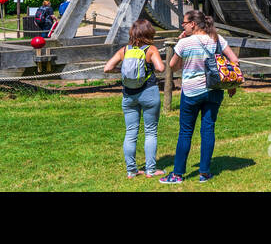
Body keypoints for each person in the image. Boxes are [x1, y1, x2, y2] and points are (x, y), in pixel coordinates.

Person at [162, 10, 240, 184]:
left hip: (191, 92)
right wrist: (232, 84)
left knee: (185, 132)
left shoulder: (185, 42)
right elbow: (234, 60)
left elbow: (172, 66)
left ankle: (177, 174)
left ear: (193, 24)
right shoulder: (216, 39)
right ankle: (204, 173)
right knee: (208, 130)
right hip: (214, 90)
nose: (183, 26)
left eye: (184, 23)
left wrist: (180, 43)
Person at [102, 17, 166, 178]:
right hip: (149, 92)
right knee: (150, 131)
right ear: (148, 32)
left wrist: (122, 72)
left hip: (129, 94)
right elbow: (160, 67)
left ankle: (131, 170)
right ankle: (151, 169)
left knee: (131, 132)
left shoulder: (124, 50)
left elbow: (107, 68)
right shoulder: (150, 49)